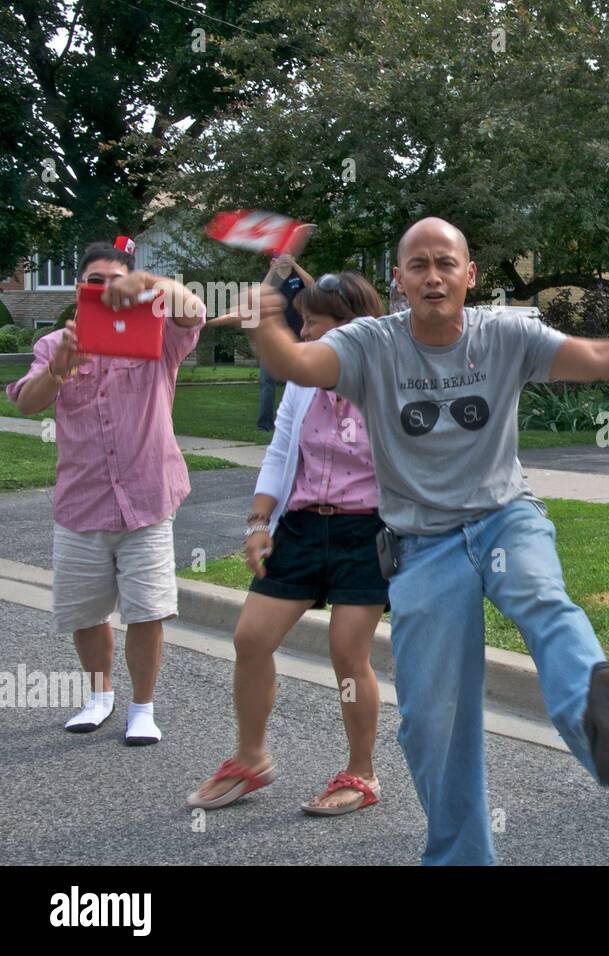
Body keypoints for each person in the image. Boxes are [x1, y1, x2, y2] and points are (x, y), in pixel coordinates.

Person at [240, 216, 609, 864]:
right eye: (418, 265)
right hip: (421, 545)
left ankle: (595, 717)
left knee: (539, 594)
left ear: (470, 274)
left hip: (503, 517)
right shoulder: (370, 345)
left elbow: (599, 358)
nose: (433, 276)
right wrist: (263, 319)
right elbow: (295, 362)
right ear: (398, 279)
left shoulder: (504, 334)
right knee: (430, 727)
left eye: (446, 263)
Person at [188, 272, 391, 816]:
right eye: (299, 325)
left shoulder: (386, 379)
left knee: (349, 654)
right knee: (251, 639)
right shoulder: (303, 381)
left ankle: (362, 770)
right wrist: (258, 523)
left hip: (364, 531)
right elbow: (280, 452)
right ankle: (250, 758)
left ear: (354, 330)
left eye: (314, 325)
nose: (302, 337)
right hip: (301, 526)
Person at [6, 242, 206, 744]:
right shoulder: (56, 344)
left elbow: (195, 311)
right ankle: (99, 696)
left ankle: (143, 707)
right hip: (82, 503)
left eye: (117, 280)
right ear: (80, 288)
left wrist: (152, 286)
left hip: (147, 498)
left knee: (147, 611)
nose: (107, 291)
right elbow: (27, 403)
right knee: (86, 612)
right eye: (96, 282)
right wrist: (59, 369)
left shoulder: (156, 336)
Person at [257, 252, 313, 431]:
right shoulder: (269, 278)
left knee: (299, 381)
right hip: (272, 336)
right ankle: (265, 423)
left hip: (297, 335)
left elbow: (312, 286)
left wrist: (295, 265)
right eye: (279, 257)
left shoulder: (297, 277)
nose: (283, 260)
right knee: (267, 382)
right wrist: (272, 271)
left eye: (286, 256)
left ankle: (298, 421)